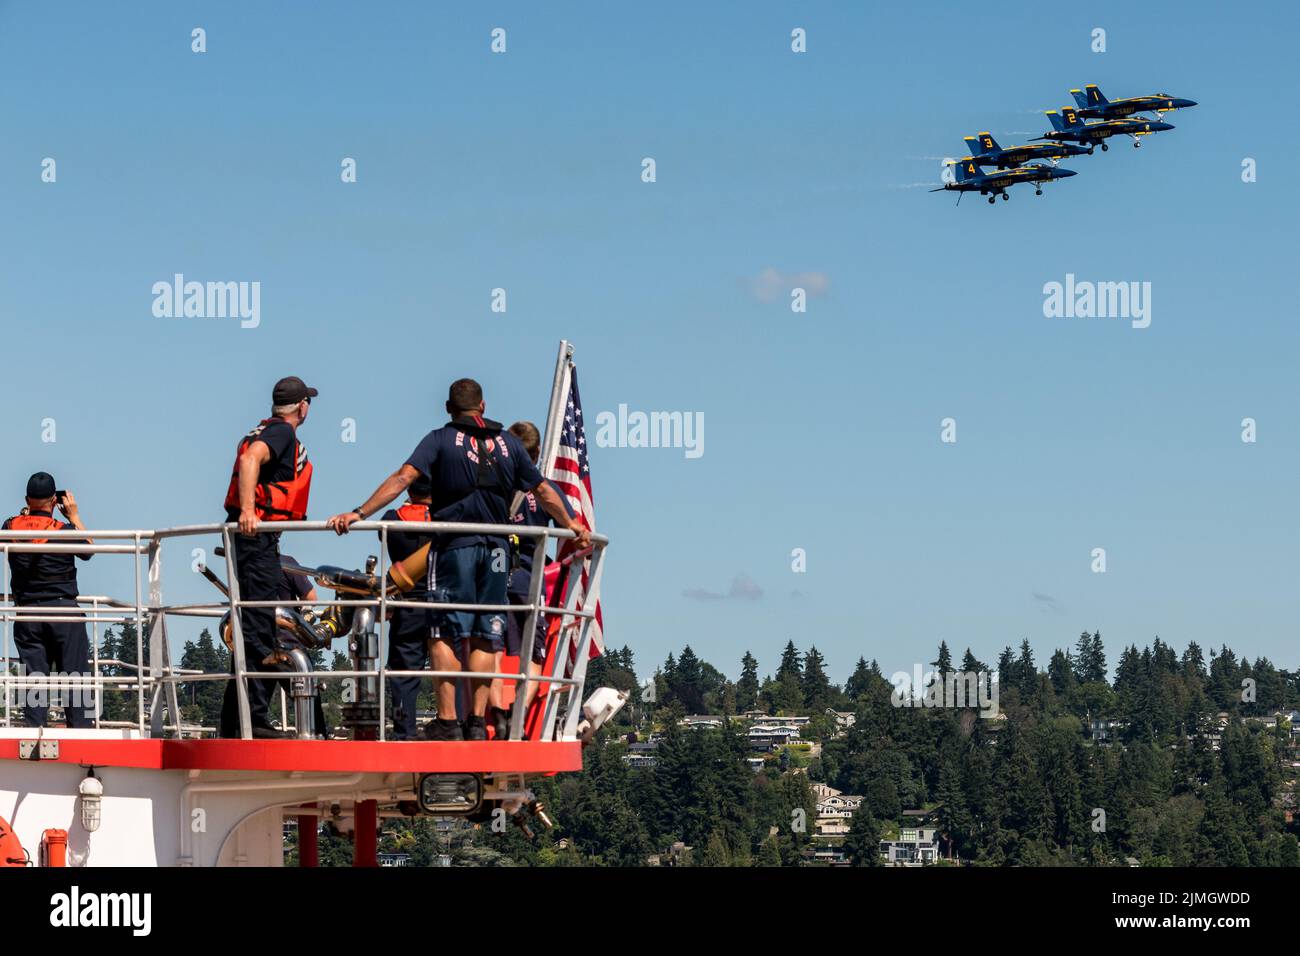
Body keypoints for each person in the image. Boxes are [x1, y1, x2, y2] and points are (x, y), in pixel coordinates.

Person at [327, 378, 590, 741]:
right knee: (485, 636)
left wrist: (359, 511)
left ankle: (449, 721)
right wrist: (572, 524)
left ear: (450, 409)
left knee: (444, 633)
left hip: (455, 546)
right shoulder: (510, 444)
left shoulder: (439, 440)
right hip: (498, 551)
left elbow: (403, 478)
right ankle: (477, 723)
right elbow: (543, 490)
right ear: (483, 407)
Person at [218, 375, 318, 739]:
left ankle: (235, 722)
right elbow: (249, 460)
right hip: (254, 537)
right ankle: (255, 722)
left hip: (251, 538)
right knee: (261, 625)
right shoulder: (282, 434)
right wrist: (249, 512)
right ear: (302, 407)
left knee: (250, 627)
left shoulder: (264, 429)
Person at [487, 420, 575, 739]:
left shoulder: (489, 489)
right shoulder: (544, 491)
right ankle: (517, 716)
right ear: (536, 453)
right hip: (529, 579)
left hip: (491, 578)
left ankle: (497, 714)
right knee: (533, 655)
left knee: (492, 648)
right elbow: (572, 525)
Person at [2, 473, 94, 728]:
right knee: (75, 676)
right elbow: (89, 550)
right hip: (64, 611)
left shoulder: (9, 527)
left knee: (33, 677)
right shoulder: (63, 530)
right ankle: (82, 733)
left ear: (26, 500)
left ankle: (34, 731)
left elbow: (23, 525)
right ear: (55, 500)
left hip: (28, 613)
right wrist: (73, 516)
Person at [377, 476, 434, 740]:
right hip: (444, 603)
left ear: (410, 490)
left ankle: (405, 732)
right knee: (451, 670)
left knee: (403, 673)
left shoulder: (392, 518)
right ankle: (455, 725)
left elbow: (381, 531)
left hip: (407, 603)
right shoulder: (447, 519)